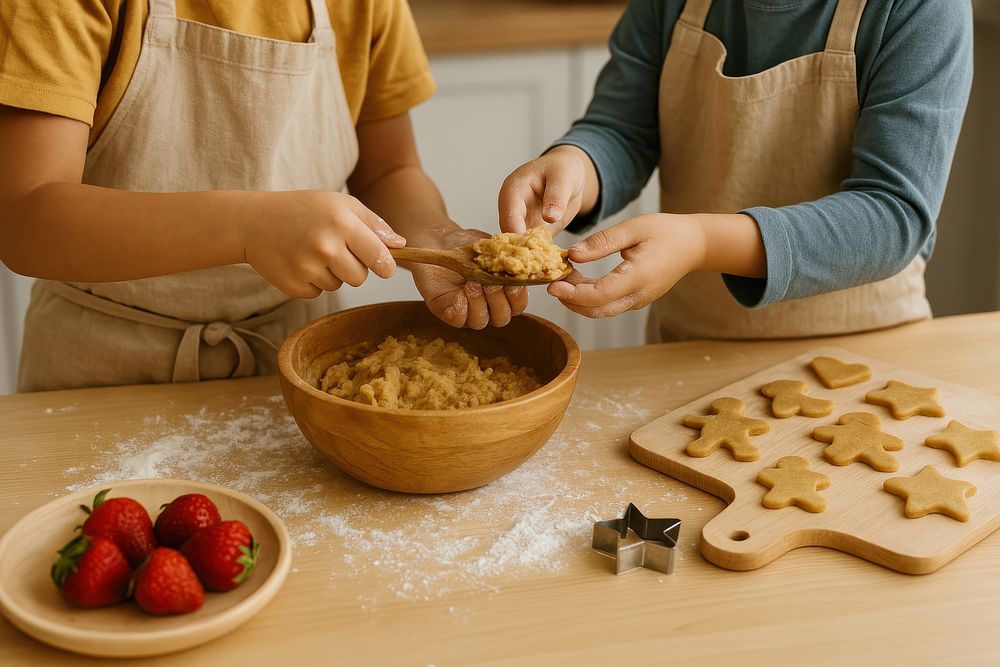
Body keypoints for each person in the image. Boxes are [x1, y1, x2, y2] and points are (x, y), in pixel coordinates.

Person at [0, 0, 525, 392]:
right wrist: (250, 228)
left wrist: (435, 235)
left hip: (294, 366)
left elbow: (389, 168)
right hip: (98, 374)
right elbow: (25, 219)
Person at [498, 0, 972, 342]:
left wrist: (700, 242)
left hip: (864, 352)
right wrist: (576, 166)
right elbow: (623, 129)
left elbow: (892, 216)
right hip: (692, 343)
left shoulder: (922, 10)